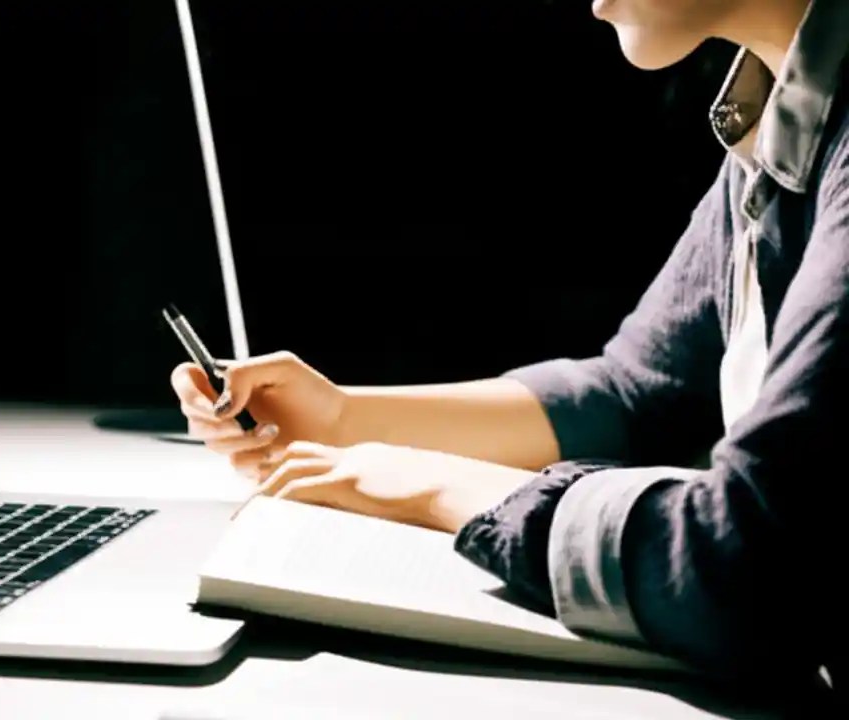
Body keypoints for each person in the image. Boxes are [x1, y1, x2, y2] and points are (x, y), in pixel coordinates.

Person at [171, 0, 846, 692]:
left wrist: (438, 487)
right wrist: (343, 420)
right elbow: (637, 395)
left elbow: (754, 564)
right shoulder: (778, 117)